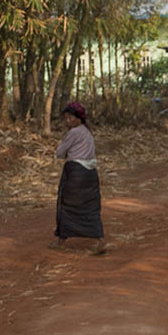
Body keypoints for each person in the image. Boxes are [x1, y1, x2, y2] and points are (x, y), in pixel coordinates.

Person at [51, 101, 105, 255]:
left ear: (79, 118)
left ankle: (61, 242)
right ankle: (100, 241)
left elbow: (59, 153)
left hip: (75, 173)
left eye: (70, 118)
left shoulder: (73, 133)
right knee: (90, 208)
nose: (67, 121)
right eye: (66, 118)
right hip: (90, 175)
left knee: (66, 205)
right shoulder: (87, 132)